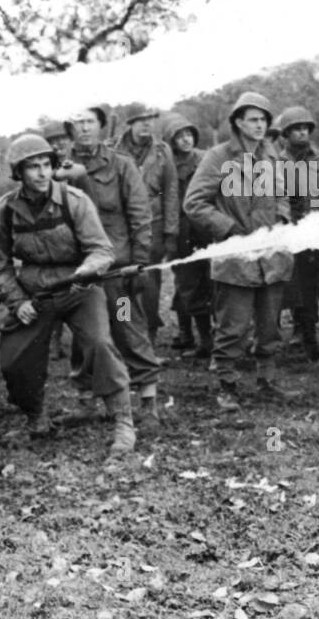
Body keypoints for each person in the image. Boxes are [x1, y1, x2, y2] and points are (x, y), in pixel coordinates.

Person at [0, 135, 136, 453]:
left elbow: (101, 249)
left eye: (46, 166)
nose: (42, 174)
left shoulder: (74, 200)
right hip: (34, 294)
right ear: (19, 173)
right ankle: (36, 418)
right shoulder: (5, 210)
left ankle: (123, 422)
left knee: (99, 343)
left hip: (80, 288)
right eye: (33, 167)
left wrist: (89, 268)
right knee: (14, 363)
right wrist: (18, 303)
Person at [183, 91, 294, 411]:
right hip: (235, 254)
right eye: (252, 119)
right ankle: (227, 385)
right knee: (233, 325)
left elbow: (284, 194)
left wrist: (282, 219)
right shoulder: (219, 157)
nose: (259, 126)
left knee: (270, 323)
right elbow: (194, 203)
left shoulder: (273, 157)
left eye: (263, 120)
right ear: (238, 122)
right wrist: (229, 229)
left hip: (271, 254)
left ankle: (267, 380)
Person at [68, 107, 162, 423]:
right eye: (78, 121)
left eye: (90, 121)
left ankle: (148, 401)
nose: (84, 128)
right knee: (85, 336)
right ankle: (85, 401)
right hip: (78, 271)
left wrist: (139, 262)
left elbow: (140, 215)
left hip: (116, 270)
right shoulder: (56, 167)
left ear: (102, 127)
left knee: (127, 327)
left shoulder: (121, 166)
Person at [274, 105, 319, 361]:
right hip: (294, 233)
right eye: (295, 129)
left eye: (305, 128)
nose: (301, 133)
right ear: (286, 134)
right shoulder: (277, 164)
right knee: (301, 288)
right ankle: (306, 337)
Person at [115, 106, 178, 344]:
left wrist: (171, 230)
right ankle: (124, 334)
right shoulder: (112, 150)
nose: (146, 125)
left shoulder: (163, 151)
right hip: (120, 227)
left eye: (150, 120)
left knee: (150, 283)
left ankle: (149, 338)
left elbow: (171, 191)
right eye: (140, 120)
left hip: (154, 225)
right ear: (129, 123)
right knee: (121, 283)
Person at [163, 114, 213, 358]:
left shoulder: (206, 159)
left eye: (189, 134)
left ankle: (212, 340)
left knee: (212, 281)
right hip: (180, 231)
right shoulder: (165, 163)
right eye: (180, 136)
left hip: (206, 227)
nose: (186, 140)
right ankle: (196, 337)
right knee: (187, 285)